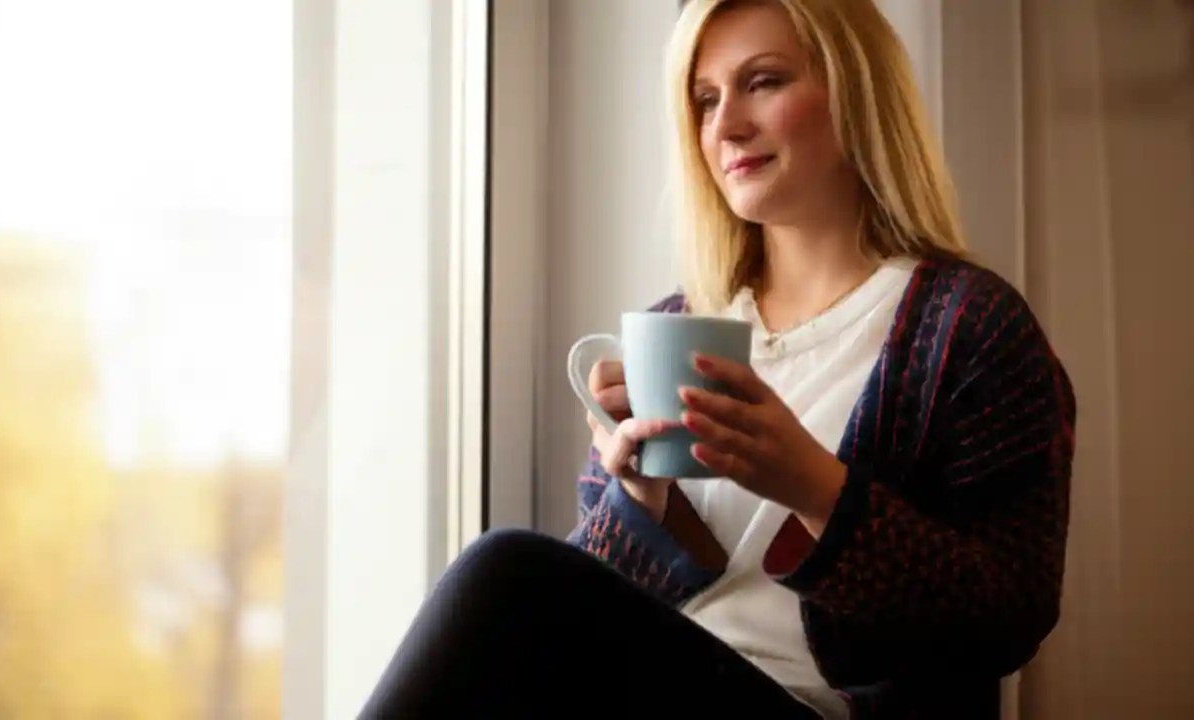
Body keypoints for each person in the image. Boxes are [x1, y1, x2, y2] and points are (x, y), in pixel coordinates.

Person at [360, 0, 1075, 717]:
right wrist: (641, 497)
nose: (726, 124)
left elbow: (1007, 617)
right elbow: (587, 606)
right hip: (654, 691)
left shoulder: (967, 326)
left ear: (856, 90)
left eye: (763, 82)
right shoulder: (676, 326)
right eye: (705, 100)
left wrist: (818, 489)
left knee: (503, 571)